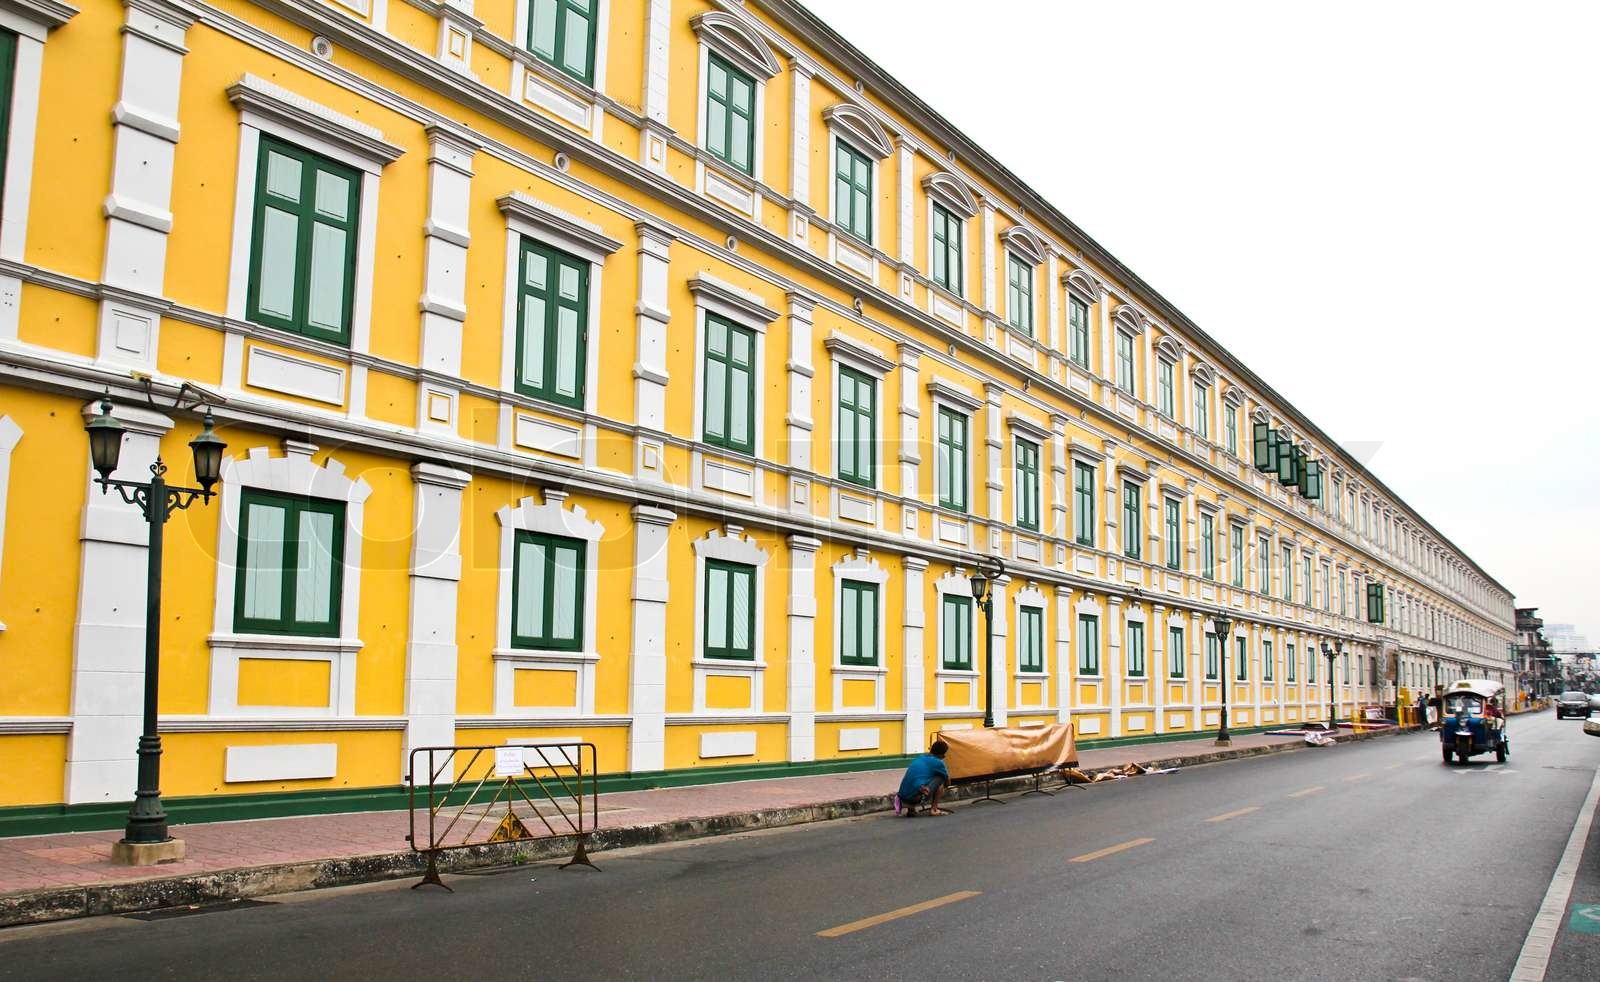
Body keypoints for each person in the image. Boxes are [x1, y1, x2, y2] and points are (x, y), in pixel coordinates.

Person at [895, 739, 950, 817]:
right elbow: (948, 782)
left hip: (902, 796)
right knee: (941, 778)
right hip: (914, 798)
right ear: (942, 755)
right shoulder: (938, 762)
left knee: (919, 780)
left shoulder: (920, 757)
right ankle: (934, 809)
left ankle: (911, 810)